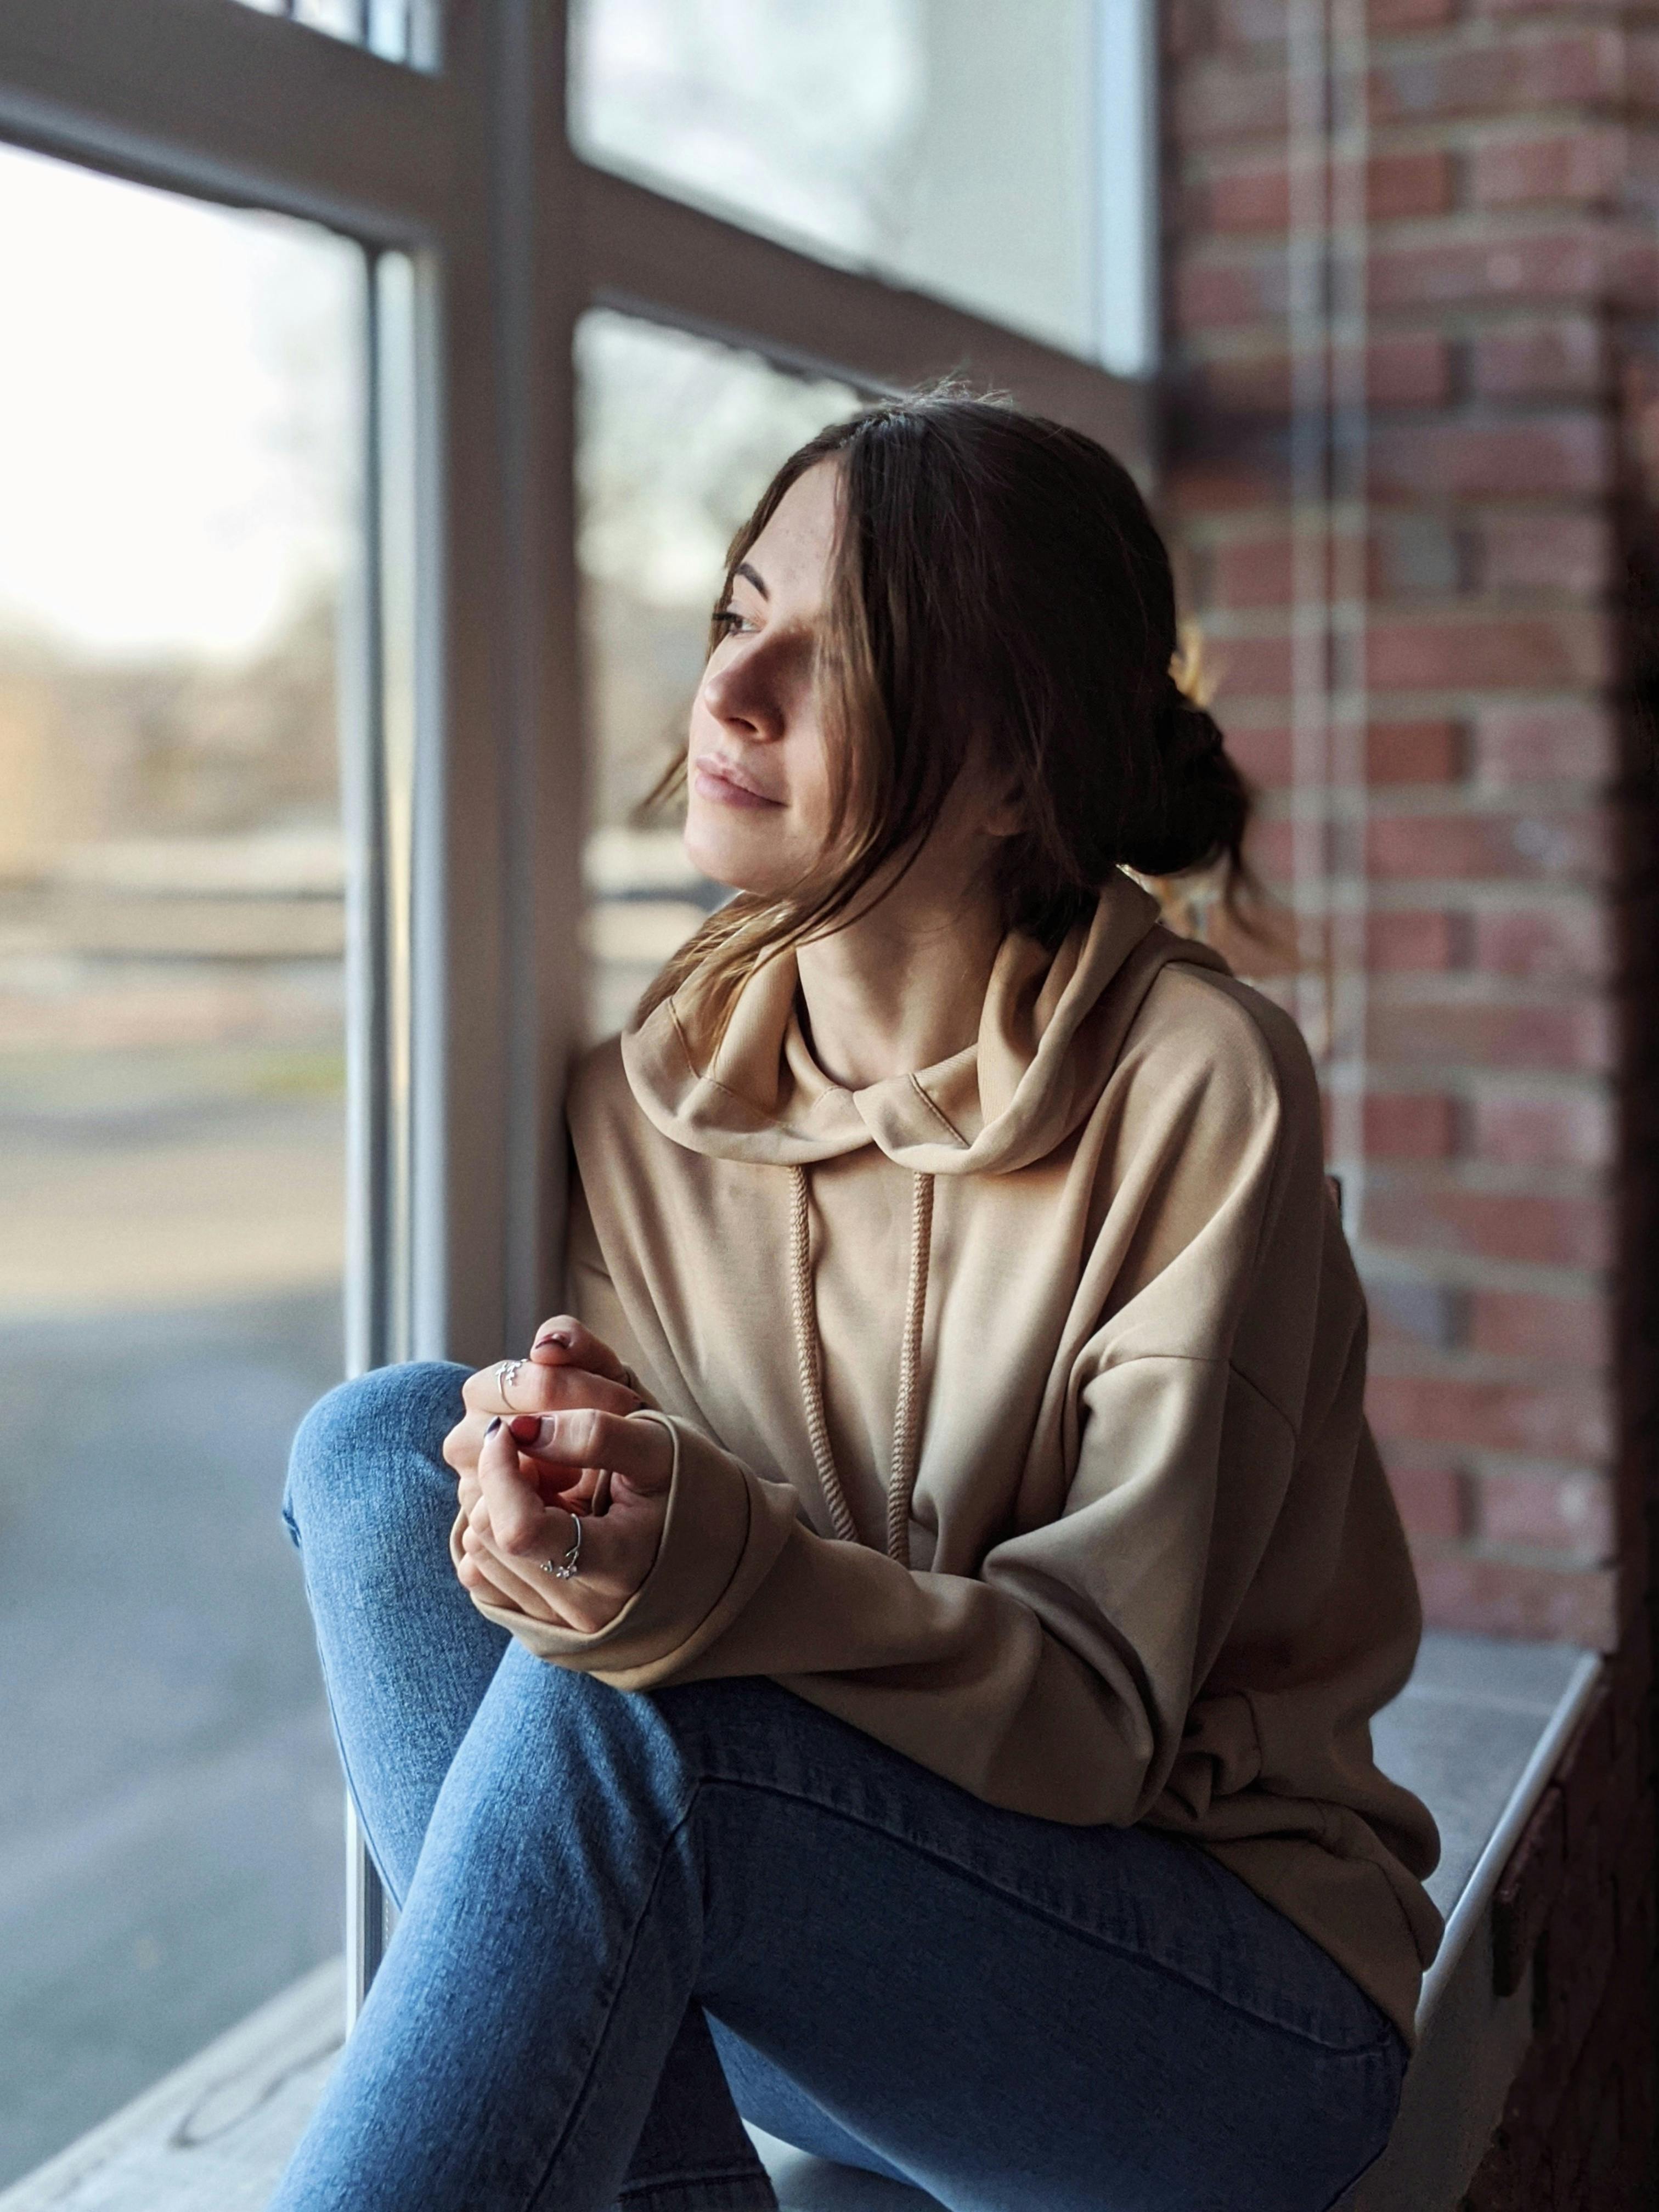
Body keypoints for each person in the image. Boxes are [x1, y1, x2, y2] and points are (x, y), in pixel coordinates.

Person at [272, 391, 1441, 2212]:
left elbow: (1096, 1723)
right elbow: (689, 1614)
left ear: (1012, 772)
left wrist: (706, 1578)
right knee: (371, 1456)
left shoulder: (1200, 1082)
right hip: (833, 1962)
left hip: (1219, 2001)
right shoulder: (656, 1087)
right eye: (742, 613)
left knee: (626, 1710)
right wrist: (567, 1526)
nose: (734, 692)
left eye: (837, 657)